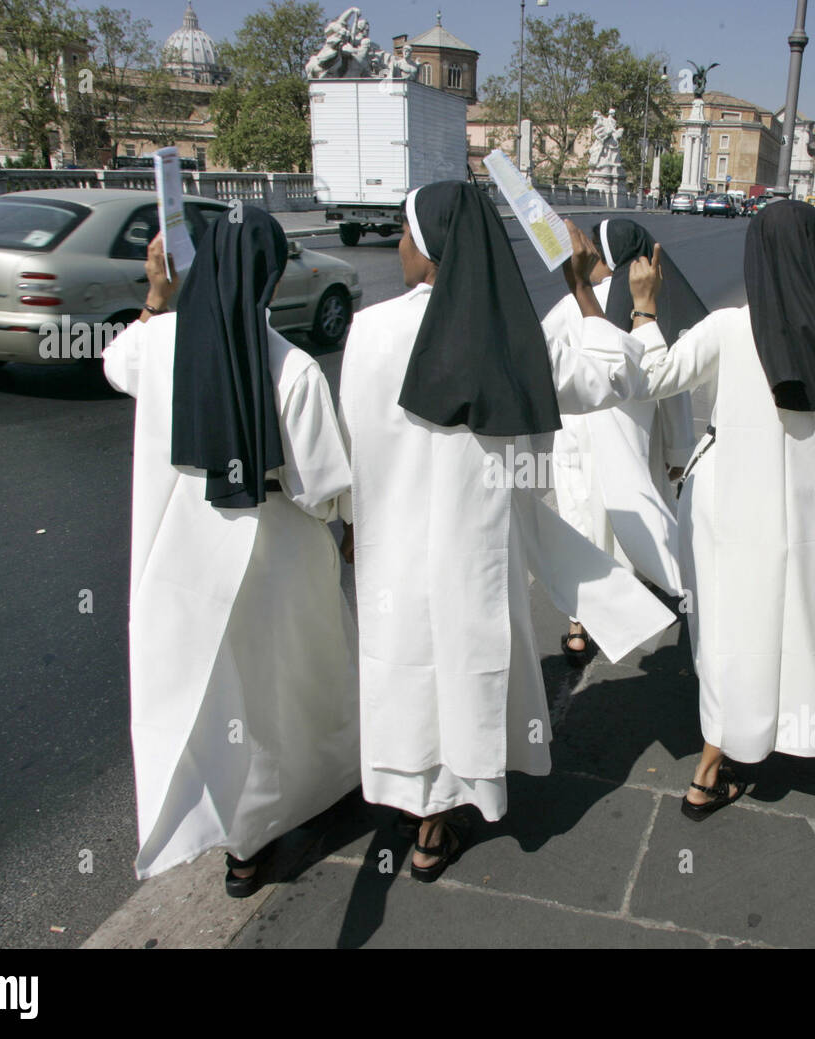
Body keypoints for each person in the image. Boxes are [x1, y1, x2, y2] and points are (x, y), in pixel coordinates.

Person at [338, 182, 675, 881]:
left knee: (406, 665)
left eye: (403, 231)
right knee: (467, 667)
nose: (397, 244)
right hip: (475, 549)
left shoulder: (369, 331)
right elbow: (620, 374)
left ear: (429, 243)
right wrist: (582, 290)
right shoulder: (516, 337)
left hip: (393, 542)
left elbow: (356, 445)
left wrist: (350, 520)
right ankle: (448, 809)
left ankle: (416, 800)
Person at [102, 210, 360, 896]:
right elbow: (323, 485)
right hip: (277, 552)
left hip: (184, 557)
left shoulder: (160, 347)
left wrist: (158, 296)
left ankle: (240, 848)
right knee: (298, 683)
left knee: (222, 701)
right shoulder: (294, 368)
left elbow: (114, 360)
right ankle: (324, 789)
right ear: (271, 277)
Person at [631, 201, 815, 819]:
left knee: (729, 633)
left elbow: (652, 376)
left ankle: (710, 767)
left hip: (727, 511)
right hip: (800, 516)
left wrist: (645, 308)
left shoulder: (730, 329)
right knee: (784, 628)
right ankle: (764, 736)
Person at [541, 218, 706, 663]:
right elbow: (671, 389)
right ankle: (630, 599)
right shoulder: (646, 311)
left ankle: (578, 626)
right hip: (635, 441)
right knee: (629, 518)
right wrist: (677, 452)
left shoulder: (568, 308)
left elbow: (540, 367)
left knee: (583, 522)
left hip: (579, 444)